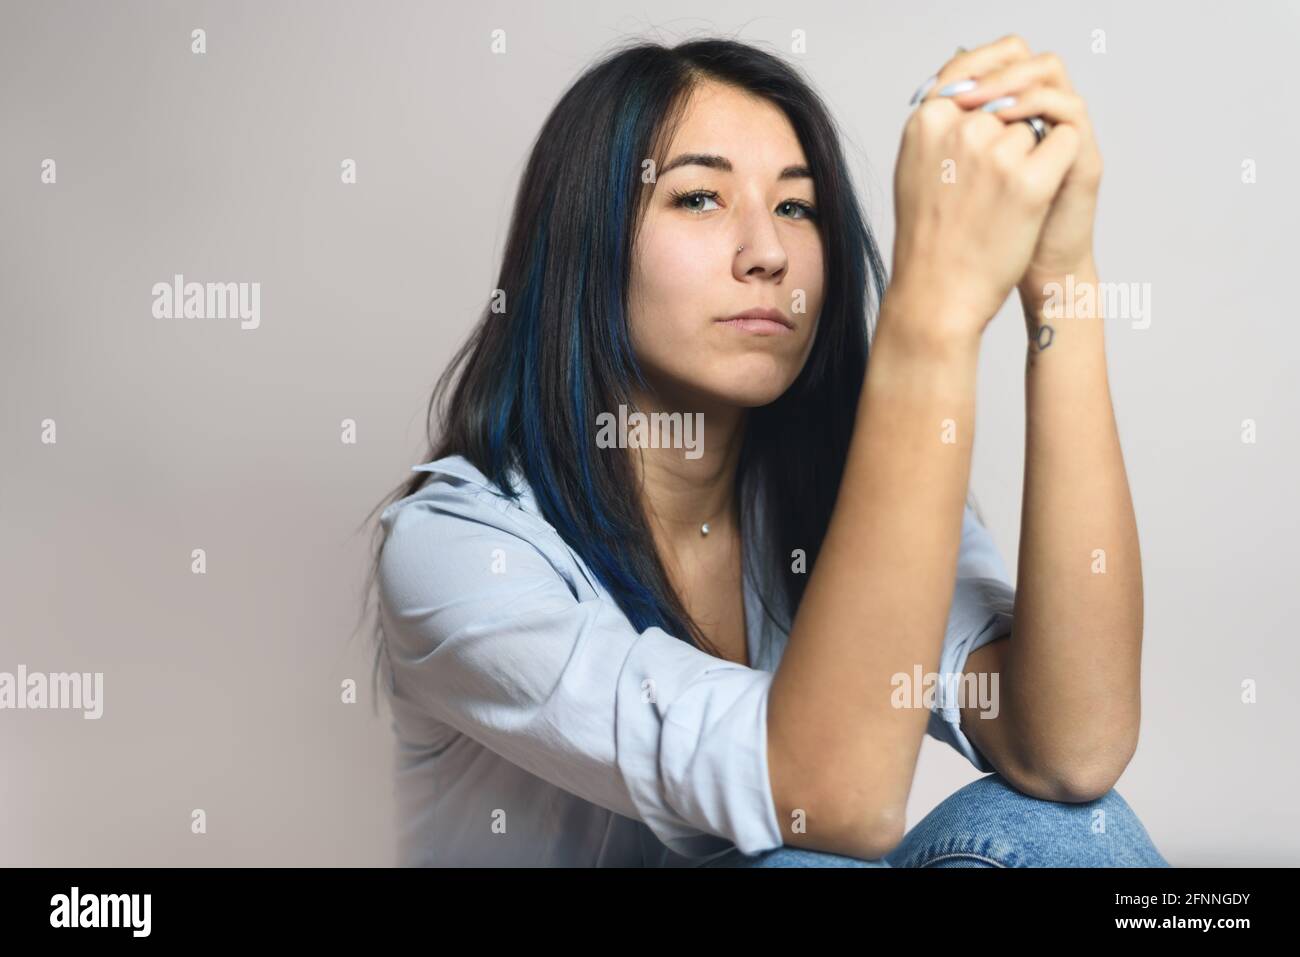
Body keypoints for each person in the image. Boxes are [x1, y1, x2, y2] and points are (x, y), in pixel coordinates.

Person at [362, 35, 1168, 867]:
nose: (769, 254)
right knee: (795, 852)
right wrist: (933, 316)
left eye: (796, 207)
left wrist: (1062, 279)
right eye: (700, 199)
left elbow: (1069, 746)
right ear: (584, 242)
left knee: (1067, 825)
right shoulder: (459, 549)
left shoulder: (832, 495)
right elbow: (831, 795)